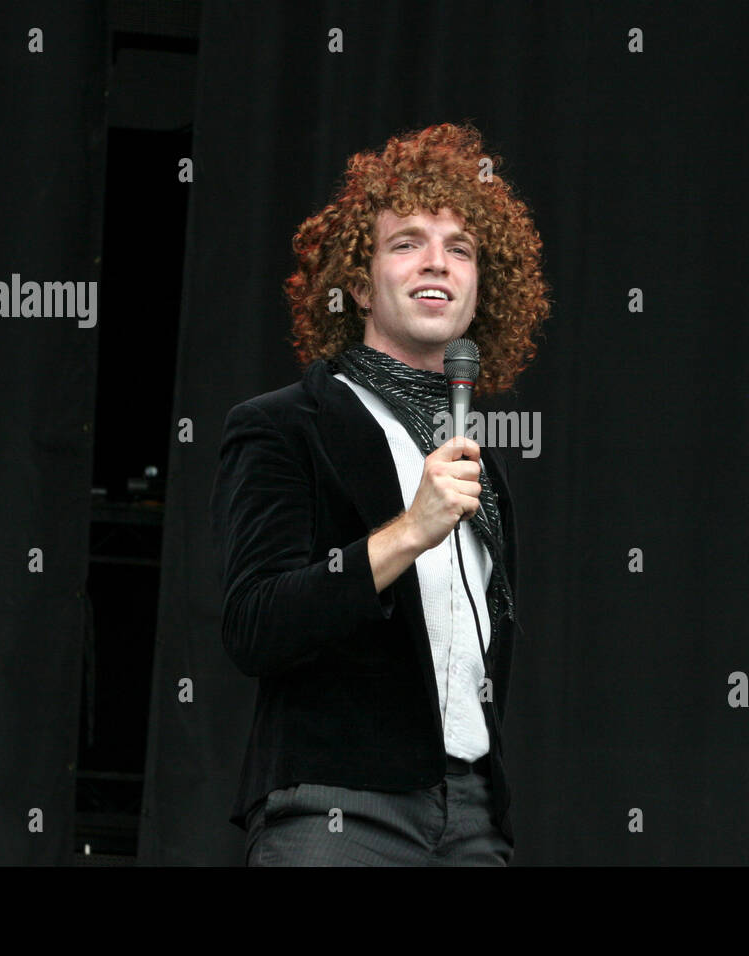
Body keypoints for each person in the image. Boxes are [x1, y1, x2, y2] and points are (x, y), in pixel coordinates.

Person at [210, 122, 549, 865]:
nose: (439, 262)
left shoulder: (477, 470)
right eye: (409, 243)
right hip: (338, 809)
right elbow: (253, 624)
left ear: (482, 291)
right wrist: (408, 531)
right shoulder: (286, 425)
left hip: (472, 818)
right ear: (359, 284)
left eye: (460, 250)